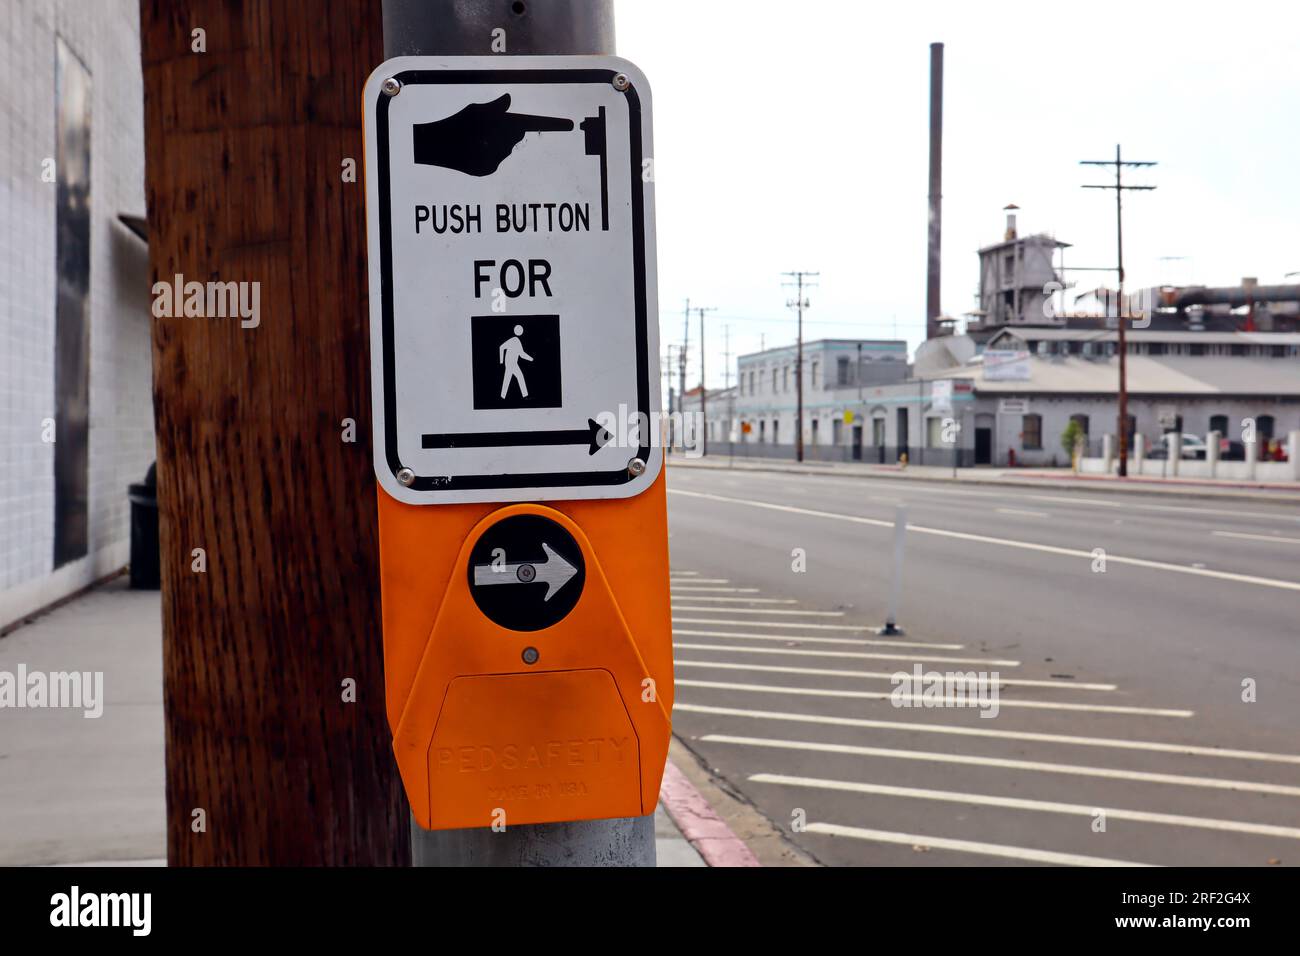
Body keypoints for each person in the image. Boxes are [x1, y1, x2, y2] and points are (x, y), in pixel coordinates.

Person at [499, 325, 533, 399]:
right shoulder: (514, 340)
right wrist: (501, 361)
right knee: (510, 378)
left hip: (514, 364)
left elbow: (521, 354)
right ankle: (503, 397)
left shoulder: (517, 341)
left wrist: (531, 359)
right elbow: (501, 347)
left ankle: (524, 396)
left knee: (516, 377)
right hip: (510, 364)